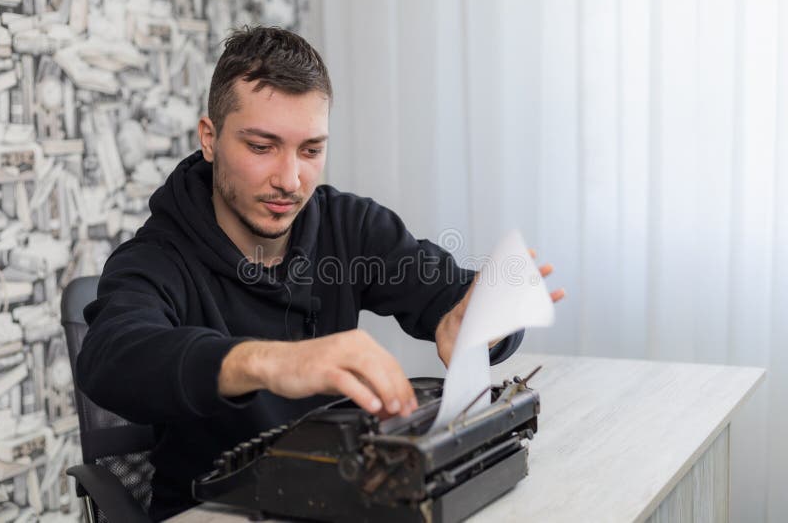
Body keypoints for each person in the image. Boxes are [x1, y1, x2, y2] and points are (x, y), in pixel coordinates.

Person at [76, 25, 564, 520]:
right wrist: (269, 363)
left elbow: (454, 298)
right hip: (215, 509)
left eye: (310, 151)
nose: (290, 180)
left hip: (335, 497)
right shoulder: (159, 255)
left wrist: (479, 325)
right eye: (262, 146)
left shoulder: (347, 226)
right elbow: (109, 356)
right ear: (210, 138)